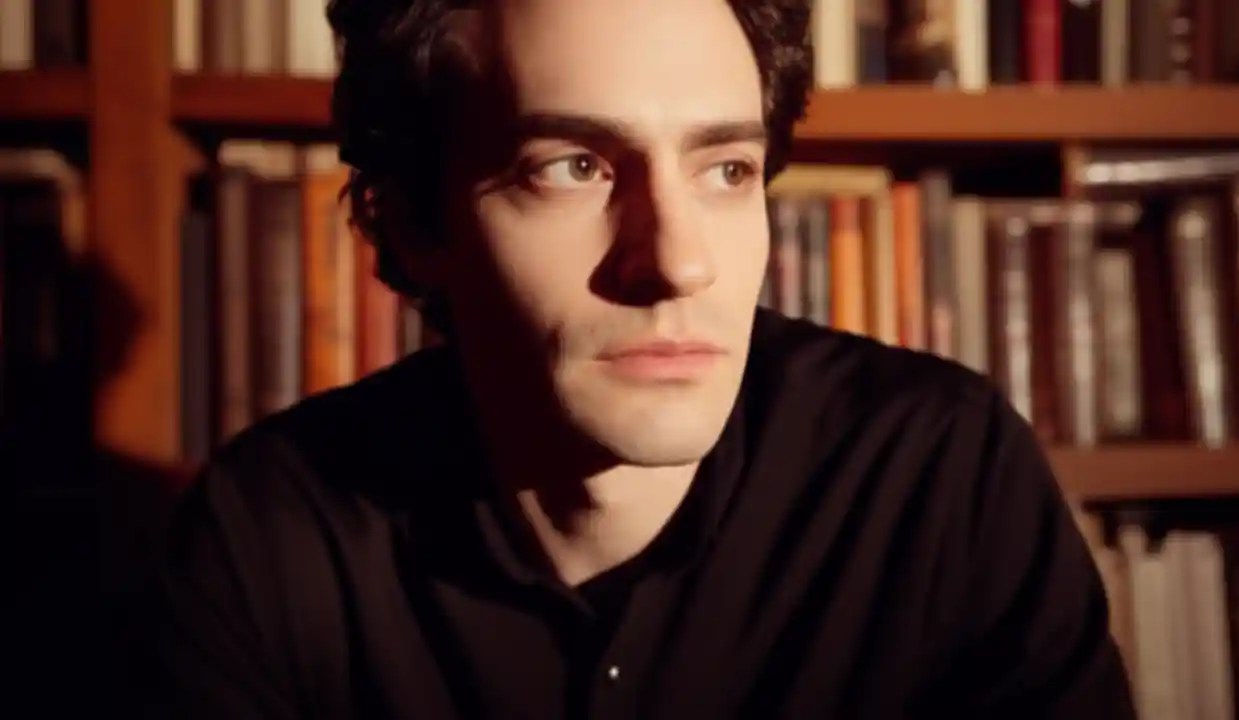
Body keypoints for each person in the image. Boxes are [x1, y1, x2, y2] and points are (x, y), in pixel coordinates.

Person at [130, 0, 1136, 717]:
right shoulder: (265, 533)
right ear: (412, 218)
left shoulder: (937, 475)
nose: (677, 261)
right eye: (571, 168)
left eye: (726, 169)